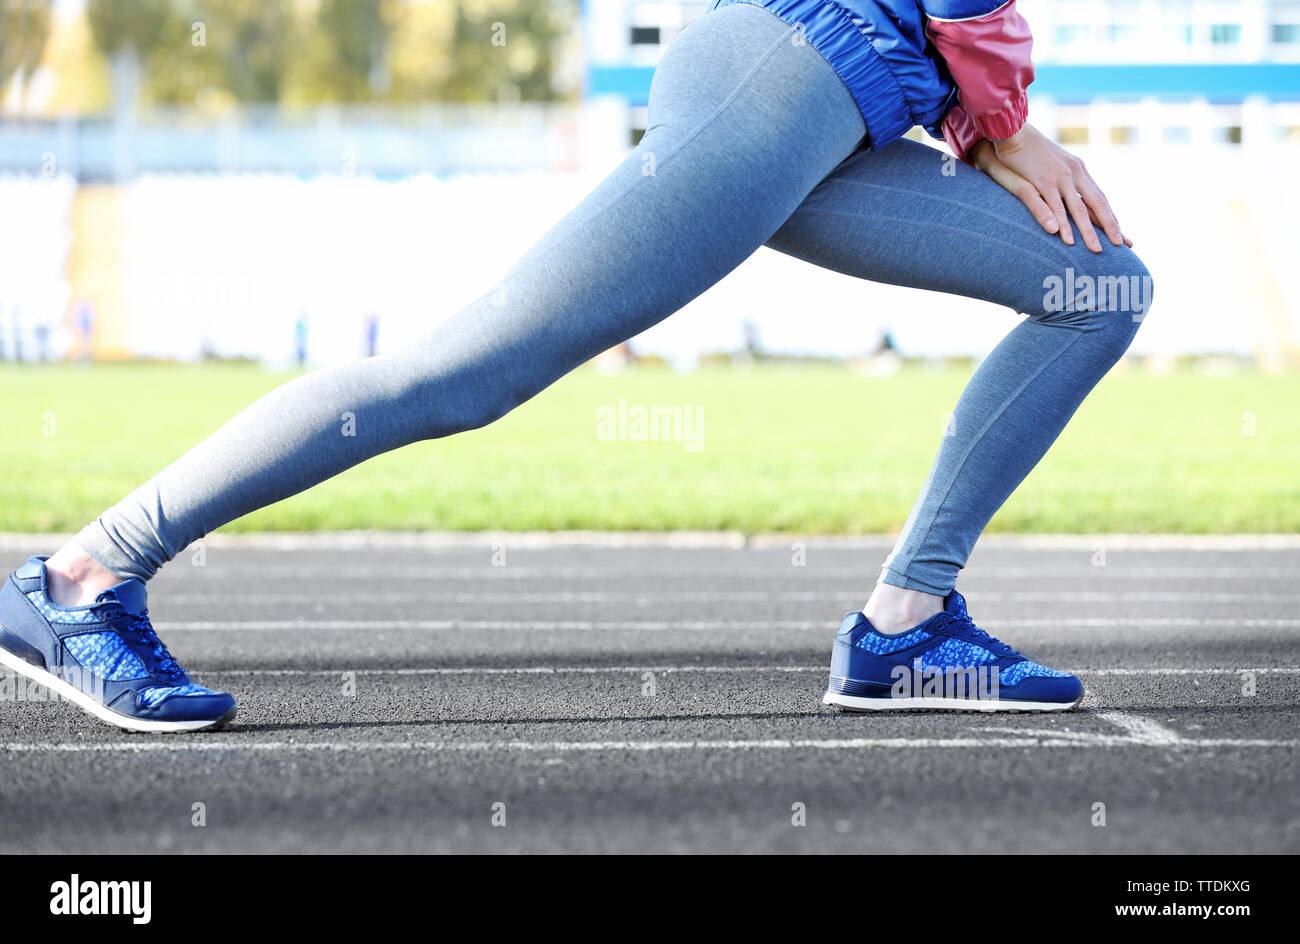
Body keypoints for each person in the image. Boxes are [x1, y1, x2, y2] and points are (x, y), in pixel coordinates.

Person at [0, 0, 1152, 731]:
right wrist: (1001, 118)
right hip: (783, 76)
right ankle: (77, 579)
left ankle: (904, 623)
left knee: (1098, 286)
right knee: (458, 376)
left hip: (838, 110)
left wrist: (980, 108)